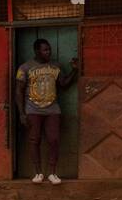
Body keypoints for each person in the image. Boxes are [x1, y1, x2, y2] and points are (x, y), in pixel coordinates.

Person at [16, 39, 79, 185]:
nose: (48, 52)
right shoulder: (25, 68)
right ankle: (38, 173)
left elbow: (63, 84)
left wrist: (74, 70)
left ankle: (52, 173)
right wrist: (21, 113)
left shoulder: (55, 66)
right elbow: (18, 92)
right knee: (34, 140)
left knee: (54, 140)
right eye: (45, 50)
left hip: (52, 109)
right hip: (32, 109)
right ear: (37, 51)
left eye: (49, 49)